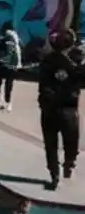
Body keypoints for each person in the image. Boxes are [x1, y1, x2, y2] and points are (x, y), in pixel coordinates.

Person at [37, 30, 85, 190]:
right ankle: (68, 165)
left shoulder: (47, 61)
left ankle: (54, 174)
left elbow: (42, 81)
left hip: (50, 108)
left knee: (51, 144)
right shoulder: (77, 62)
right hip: (68, 109)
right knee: (71, 142)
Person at [0, 22, 22, 111]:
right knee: (9, 83)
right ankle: (8, 102)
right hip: (12, 63)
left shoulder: (3, 37)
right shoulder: (15, 38)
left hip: (1, 63)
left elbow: (0, 50)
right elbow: (15, 51)